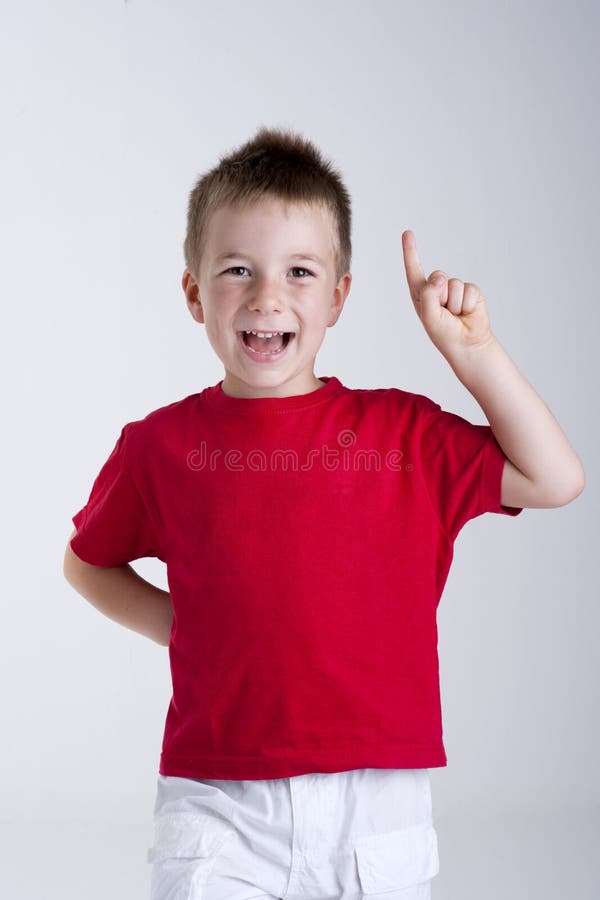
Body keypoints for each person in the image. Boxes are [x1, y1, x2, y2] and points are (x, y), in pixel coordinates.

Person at [63, 125, 585, 900]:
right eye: (237, 269)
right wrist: (180, 624)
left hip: (374, 808)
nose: (267, 295)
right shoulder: (160, 447)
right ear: (194, 293)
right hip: (219, 803)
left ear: (338, 296)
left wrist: (472, 354)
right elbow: (88, 561)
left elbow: (555, 478)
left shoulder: (401, 433)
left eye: (299, 272)